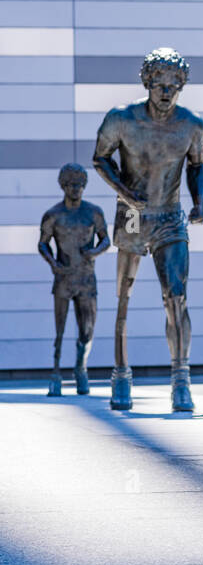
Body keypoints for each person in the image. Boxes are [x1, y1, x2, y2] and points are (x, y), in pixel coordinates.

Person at [93, 47, 203, 414]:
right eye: (159, 82)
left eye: (174, 84)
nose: (166, 90)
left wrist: (199, 202)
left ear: (182, 86)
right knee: (124, 297)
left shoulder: (192, 124)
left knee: (177, 297)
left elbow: (198, 165)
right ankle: (121, 374)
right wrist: (124, 191)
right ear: (147, 82)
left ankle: (181, 379)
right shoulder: (121, 119)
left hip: (170, 215)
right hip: (131, 215)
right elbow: (100, 159)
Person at [38, 163, 109, 396]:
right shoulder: (53, 215)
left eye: (80, 185)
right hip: (64, 278)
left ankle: (81, 368)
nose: (76, 189)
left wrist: (95, 252)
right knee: (59, 330)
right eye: (71, 185)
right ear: (63, 186)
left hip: (87, 279)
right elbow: (42, 243)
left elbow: (106, 240)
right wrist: (52, 263)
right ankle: (56, 373)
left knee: (87, 330)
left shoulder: (94, 213)